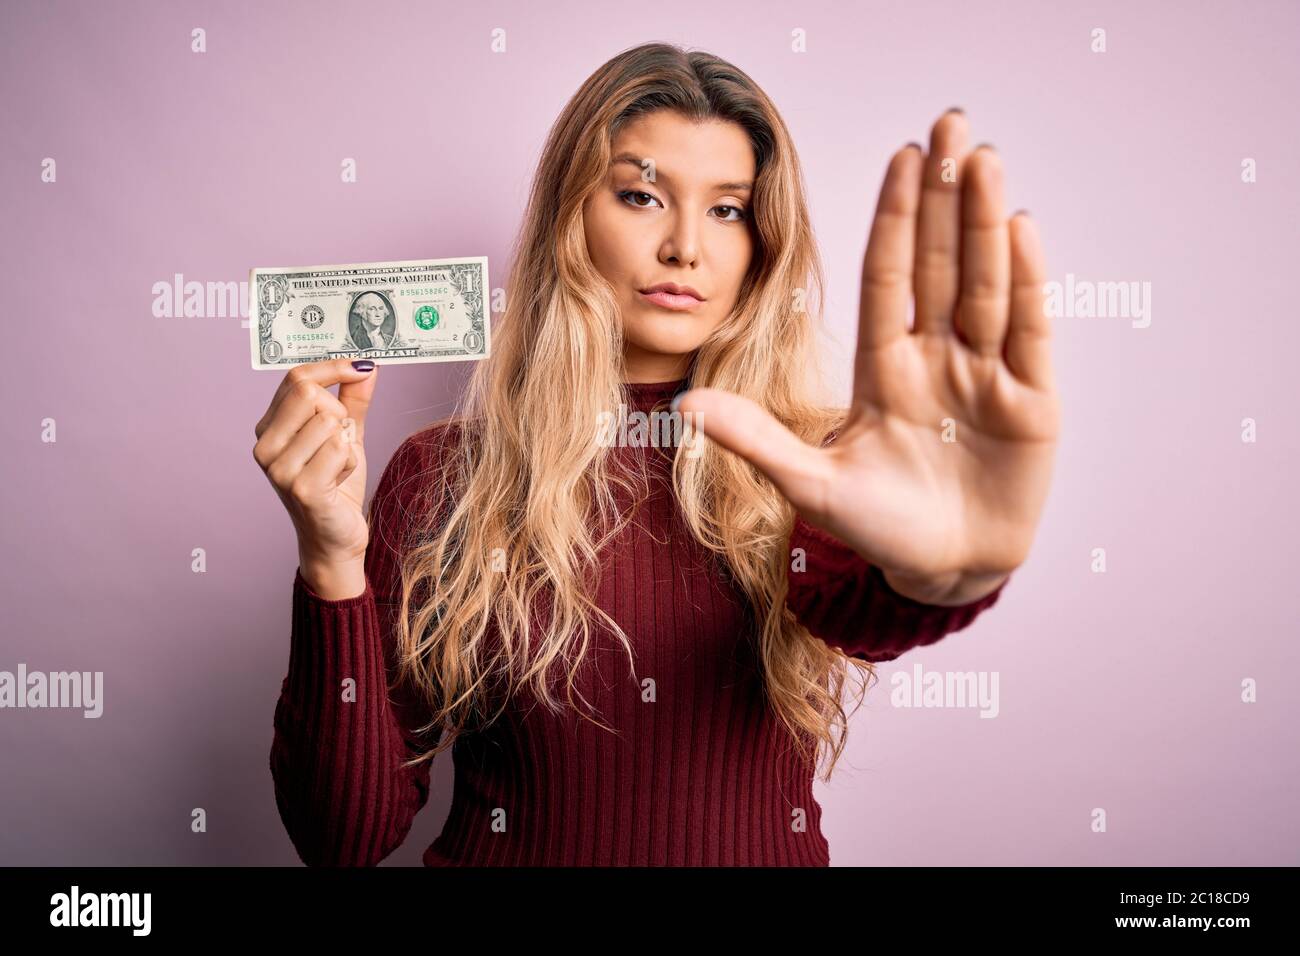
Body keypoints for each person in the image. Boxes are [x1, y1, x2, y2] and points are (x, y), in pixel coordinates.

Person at [253, 42, 1059, 866]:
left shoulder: (815, 465)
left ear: (762, 244)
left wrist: (941, 575)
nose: (685, 247)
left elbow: (874, 604)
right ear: (572, 218)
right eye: (641, 196)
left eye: (728, 210)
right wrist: (331, 564)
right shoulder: (440, 476)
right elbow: (342, 838)